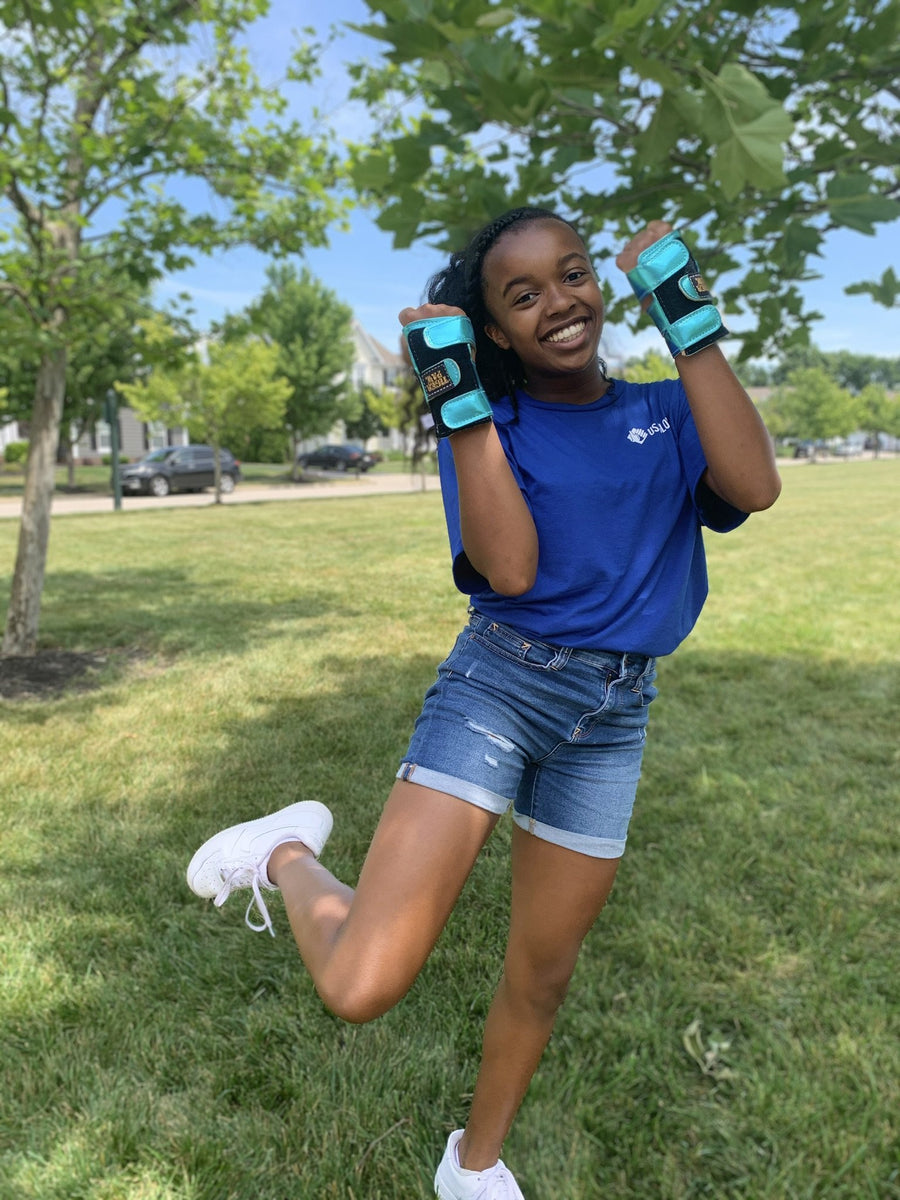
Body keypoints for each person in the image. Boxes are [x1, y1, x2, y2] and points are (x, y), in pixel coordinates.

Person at [186, 209, 781, 1199]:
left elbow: (754, 486)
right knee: (360, 985)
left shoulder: (671, 411)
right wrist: (455, 401)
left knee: (543, 972)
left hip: (614, 719)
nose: (561, 301)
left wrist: (684, 313)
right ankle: (286, 851)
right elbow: (508, 568)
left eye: (574, 275)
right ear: (495, 331)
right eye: (524, 294)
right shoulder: (490, 429)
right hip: (501, 688)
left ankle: (475, 1162)